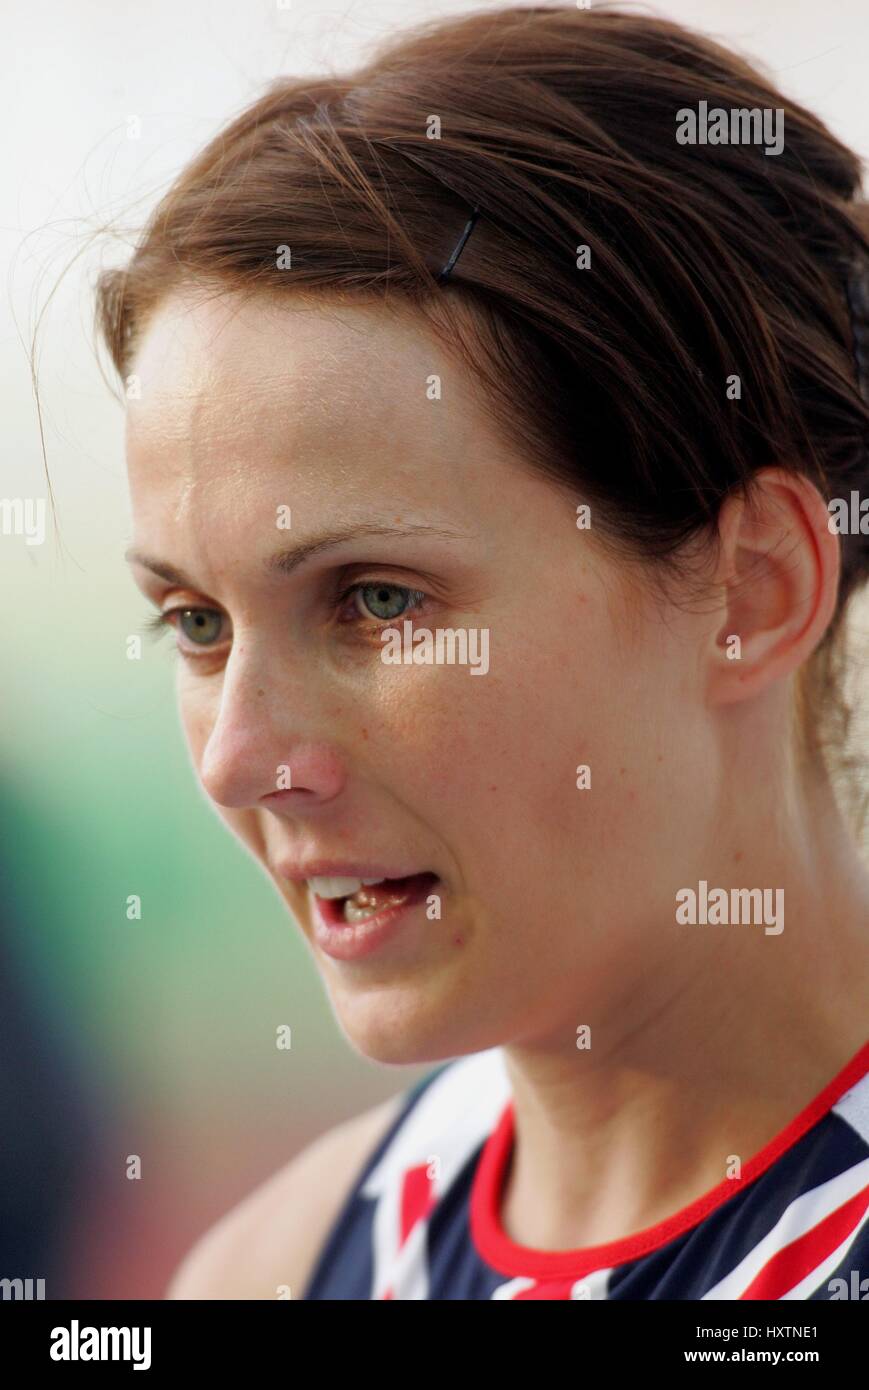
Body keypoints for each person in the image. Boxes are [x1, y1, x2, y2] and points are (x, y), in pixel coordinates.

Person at [96, 5, 869, 1299]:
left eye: (377, 598)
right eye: (196, 622)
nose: (240, 759)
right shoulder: (268, 1271)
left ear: (753, 587)